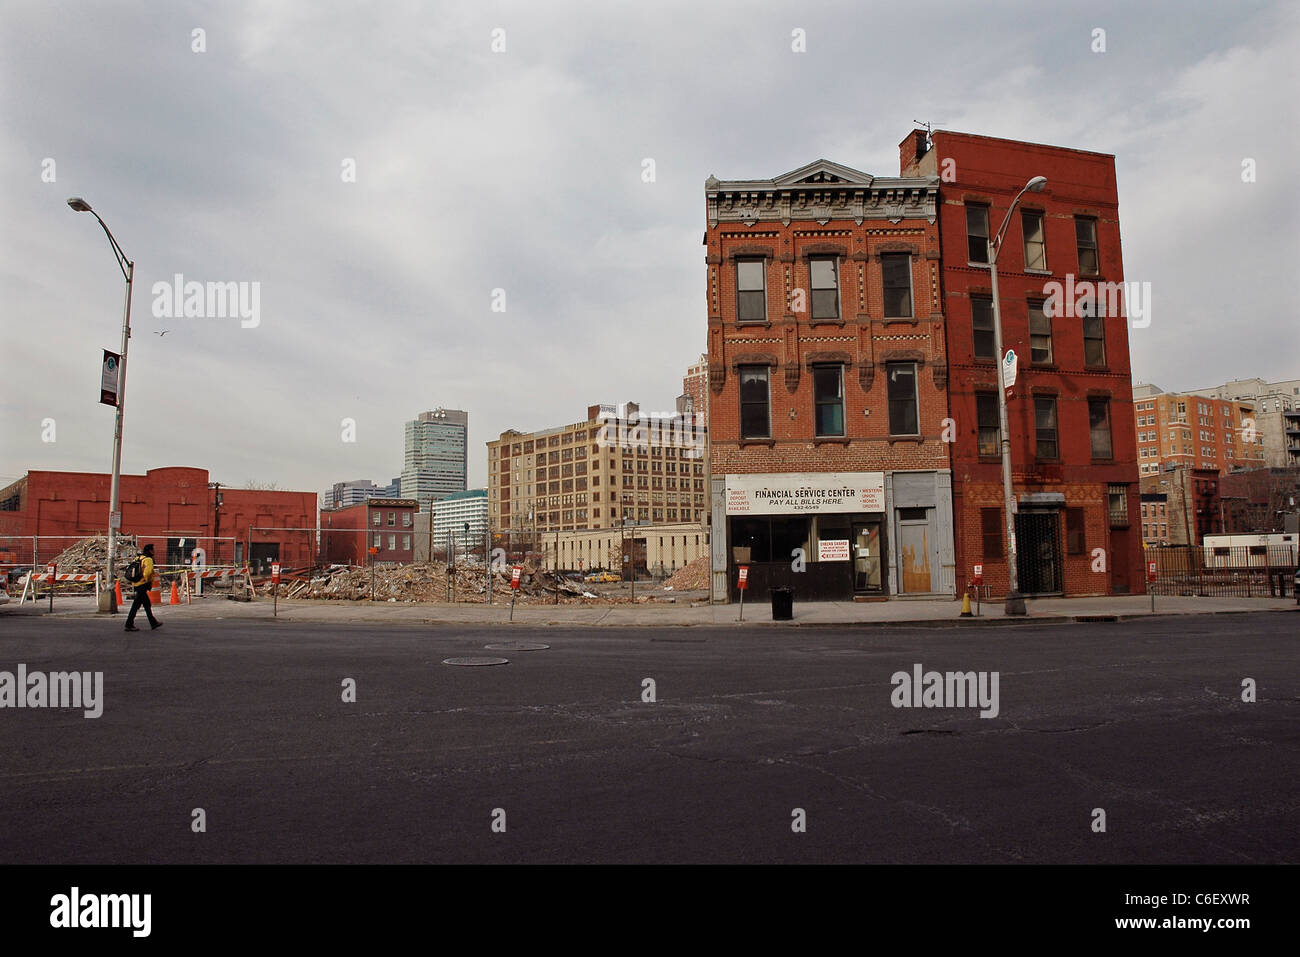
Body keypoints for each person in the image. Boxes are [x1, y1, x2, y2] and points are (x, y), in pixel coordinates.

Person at [124, 544, 163, 632]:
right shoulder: (148, 559)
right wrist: (147, 580)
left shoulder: (139, 558)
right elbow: (148, 572)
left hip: (137, 584)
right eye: (153, 550)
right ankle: (129, 624)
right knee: (136, 606)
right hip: (143, 585)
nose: (154, 551)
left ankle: (153, 622)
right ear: (150, 551)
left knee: (147, 605)